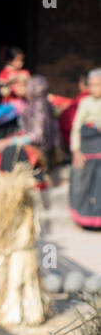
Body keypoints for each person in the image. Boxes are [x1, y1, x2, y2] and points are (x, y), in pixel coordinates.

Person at [0, 74, 62, 185]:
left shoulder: (40, 105)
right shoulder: (33, 104)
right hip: (36, 146)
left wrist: (10, 141)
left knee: (10, 151)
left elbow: (37, 136)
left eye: (26, 85)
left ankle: (10, 187)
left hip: (43, 151)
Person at [69, 68, 101, 229]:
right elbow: (76, 127)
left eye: (99, 85)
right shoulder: (85, 102)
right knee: (83, 184)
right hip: (87, 148)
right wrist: (76, 150)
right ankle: (83, 220)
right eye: (93, 85)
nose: (95, 88)